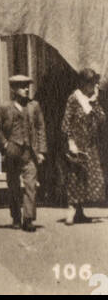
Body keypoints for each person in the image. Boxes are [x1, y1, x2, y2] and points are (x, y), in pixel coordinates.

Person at [0, 74, 46, 232]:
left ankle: (28, 219)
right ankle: (16, 216)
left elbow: (41, 128)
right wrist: (5, 143)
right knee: (13, 186)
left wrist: (41, 151)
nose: (27, 89)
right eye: (22, 86)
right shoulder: (4, 107)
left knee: (31, 185)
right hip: (13, 152)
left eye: (27, 86)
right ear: (14, 89)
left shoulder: (34, 106)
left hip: (30, 152)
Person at [61, 68, 105, 226]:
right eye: (91, 83)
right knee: (75, 176)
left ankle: (80, 211)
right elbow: (66, 122)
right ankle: (71, 210)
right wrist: (70, 142)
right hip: (77, 144)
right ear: (83, 83)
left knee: (88, 177)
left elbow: (101, 119)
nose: (93, 86)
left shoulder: (93, 99)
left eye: (94, 83)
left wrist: (94, 102)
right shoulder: (74, 98)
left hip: (90, 145)